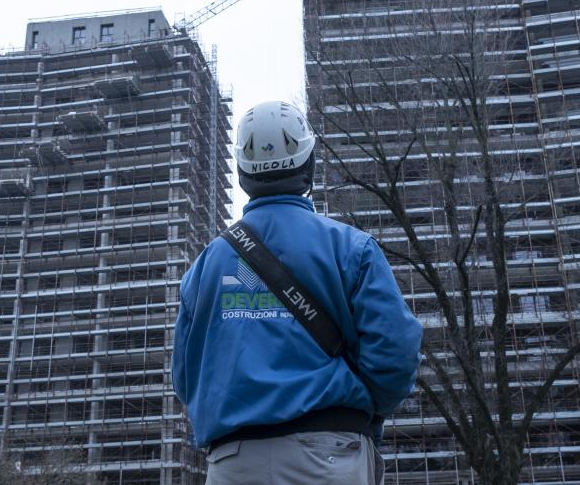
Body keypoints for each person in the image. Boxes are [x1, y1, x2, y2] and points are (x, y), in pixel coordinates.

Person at [172, 100, 423, 484]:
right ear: (309, 164)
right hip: (331, 455)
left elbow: (185, 378)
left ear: (242, 173)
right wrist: (364, 408)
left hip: (232, 463)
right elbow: (396, 353)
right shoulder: (351, 249)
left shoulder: (204, 267)